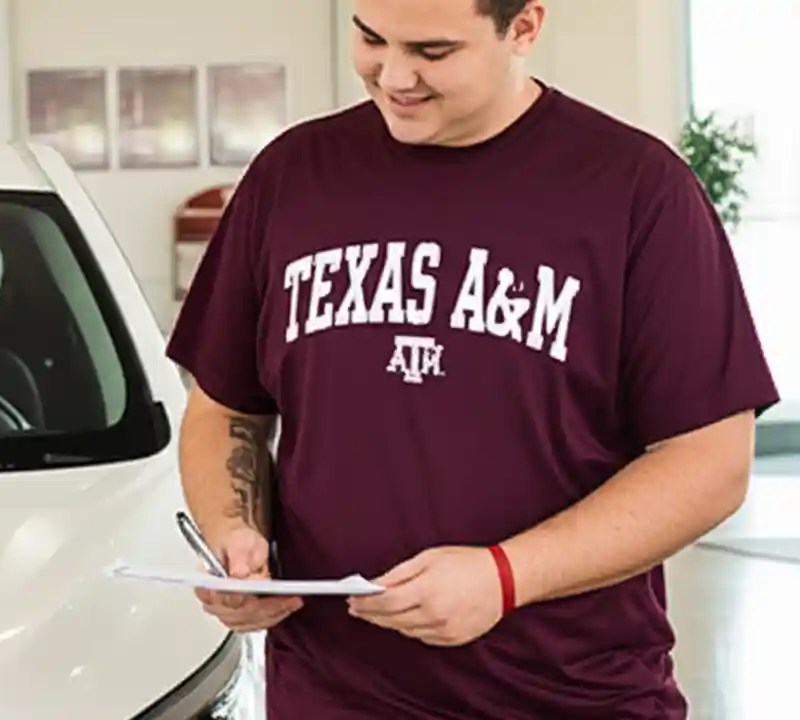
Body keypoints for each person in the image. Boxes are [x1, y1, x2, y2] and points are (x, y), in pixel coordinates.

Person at [164, 0, 779, 717]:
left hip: (570, 697)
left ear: (524, 27)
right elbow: (226, 409)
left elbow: (710, 462)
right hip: (332, 694)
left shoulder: (640, 190)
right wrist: (234, 535)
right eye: (369, 38)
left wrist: (506, 576)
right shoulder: (290, 177)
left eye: (432, 51)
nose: (393, 75)